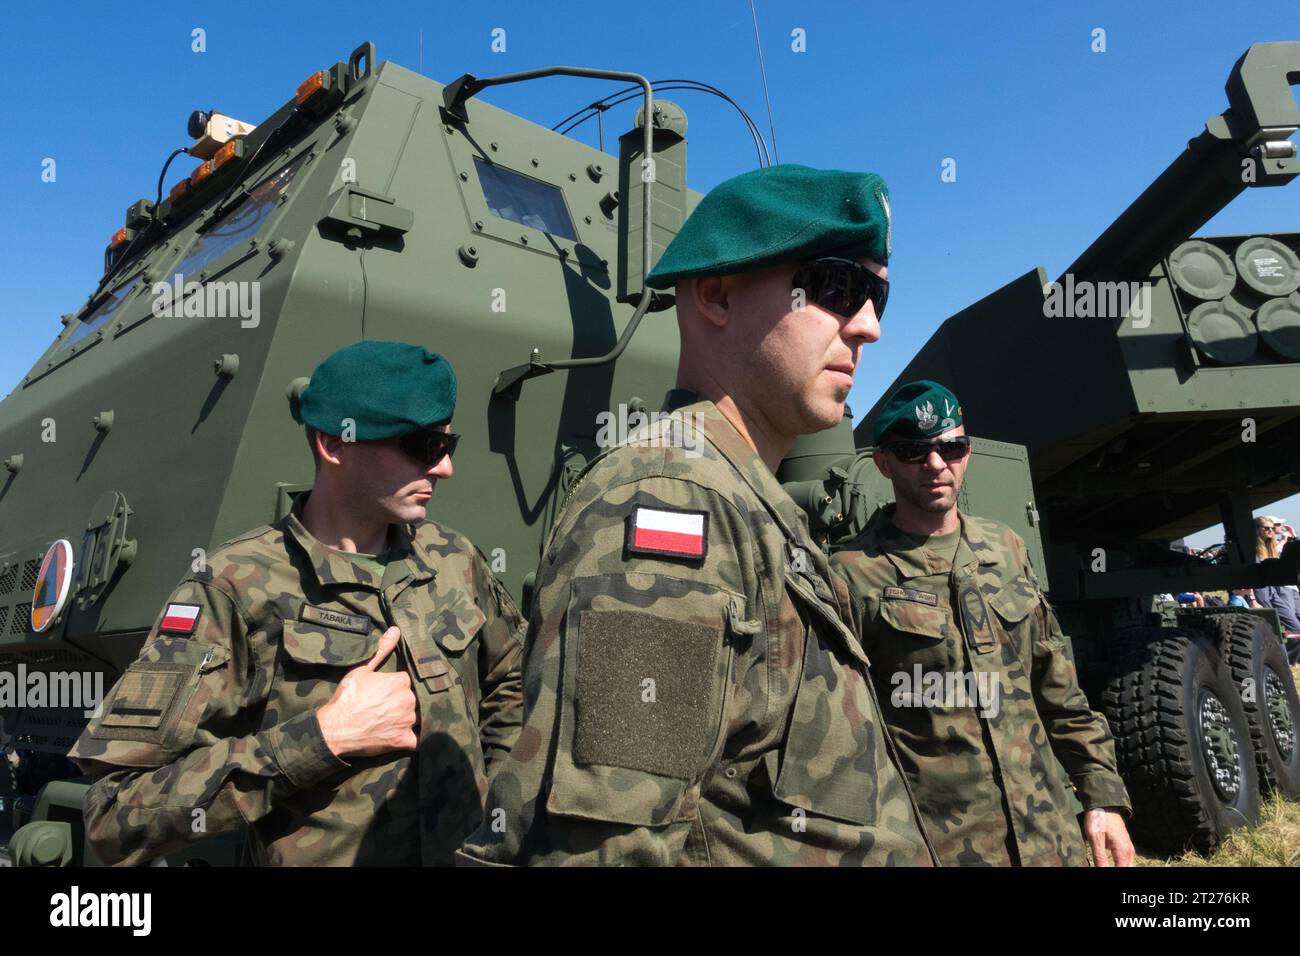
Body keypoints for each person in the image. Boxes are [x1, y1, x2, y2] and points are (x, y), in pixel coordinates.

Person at [458, 164, 936, 866]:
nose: (868, 327)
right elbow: (607, 848)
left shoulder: (742, 500)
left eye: (879, 298)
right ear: (714, 294)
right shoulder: (671, 505)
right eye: (839, 287)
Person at [69, 341, 524, 865]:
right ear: (335, 444)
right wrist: (322, 739)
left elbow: (512, 685)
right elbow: (113, 814)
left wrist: (497, 813)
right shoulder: (232, 587)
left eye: (449, 444)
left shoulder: (454, 559)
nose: (444, 469)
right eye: (424, 446)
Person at [831, 380, 1135, 867]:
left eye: (951, 447)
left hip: (1047, 835)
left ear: (967, 452)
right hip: (940, 845)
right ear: (883, 463)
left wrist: (1101, 796)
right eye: (913, 451)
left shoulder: (1006, 547)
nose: (936, 464)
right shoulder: (851, 574)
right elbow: (842, 738)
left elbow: (1056, 685)